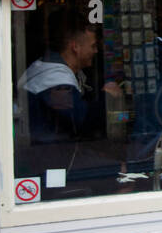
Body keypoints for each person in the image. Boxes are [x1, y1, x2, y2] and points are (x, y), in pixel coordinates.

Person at [17, 10, 121, 145]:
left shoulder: (42, 66)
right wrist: (108, 97)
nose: (96, 51)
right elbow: (82, 121)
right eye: (93, 46)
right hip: (48, 151)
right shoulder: (55, 80)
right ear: (75, 47)